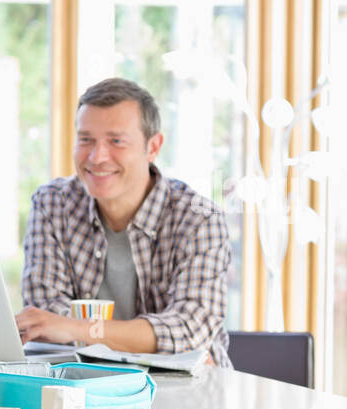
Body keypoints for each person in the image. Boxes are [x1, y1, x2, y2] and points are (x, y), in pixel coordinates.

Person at [16, 77, 233, 367]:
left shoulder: (199, 218)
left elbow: (190, 330)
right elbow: (44, 318)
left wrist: (77, 329)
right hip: (85, 386)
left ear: (153, 146)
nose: (97, 156)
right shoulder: (51, 204)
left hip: (188, 390)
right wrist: (145, 341)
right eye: (86, 140)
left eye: (116, 141)